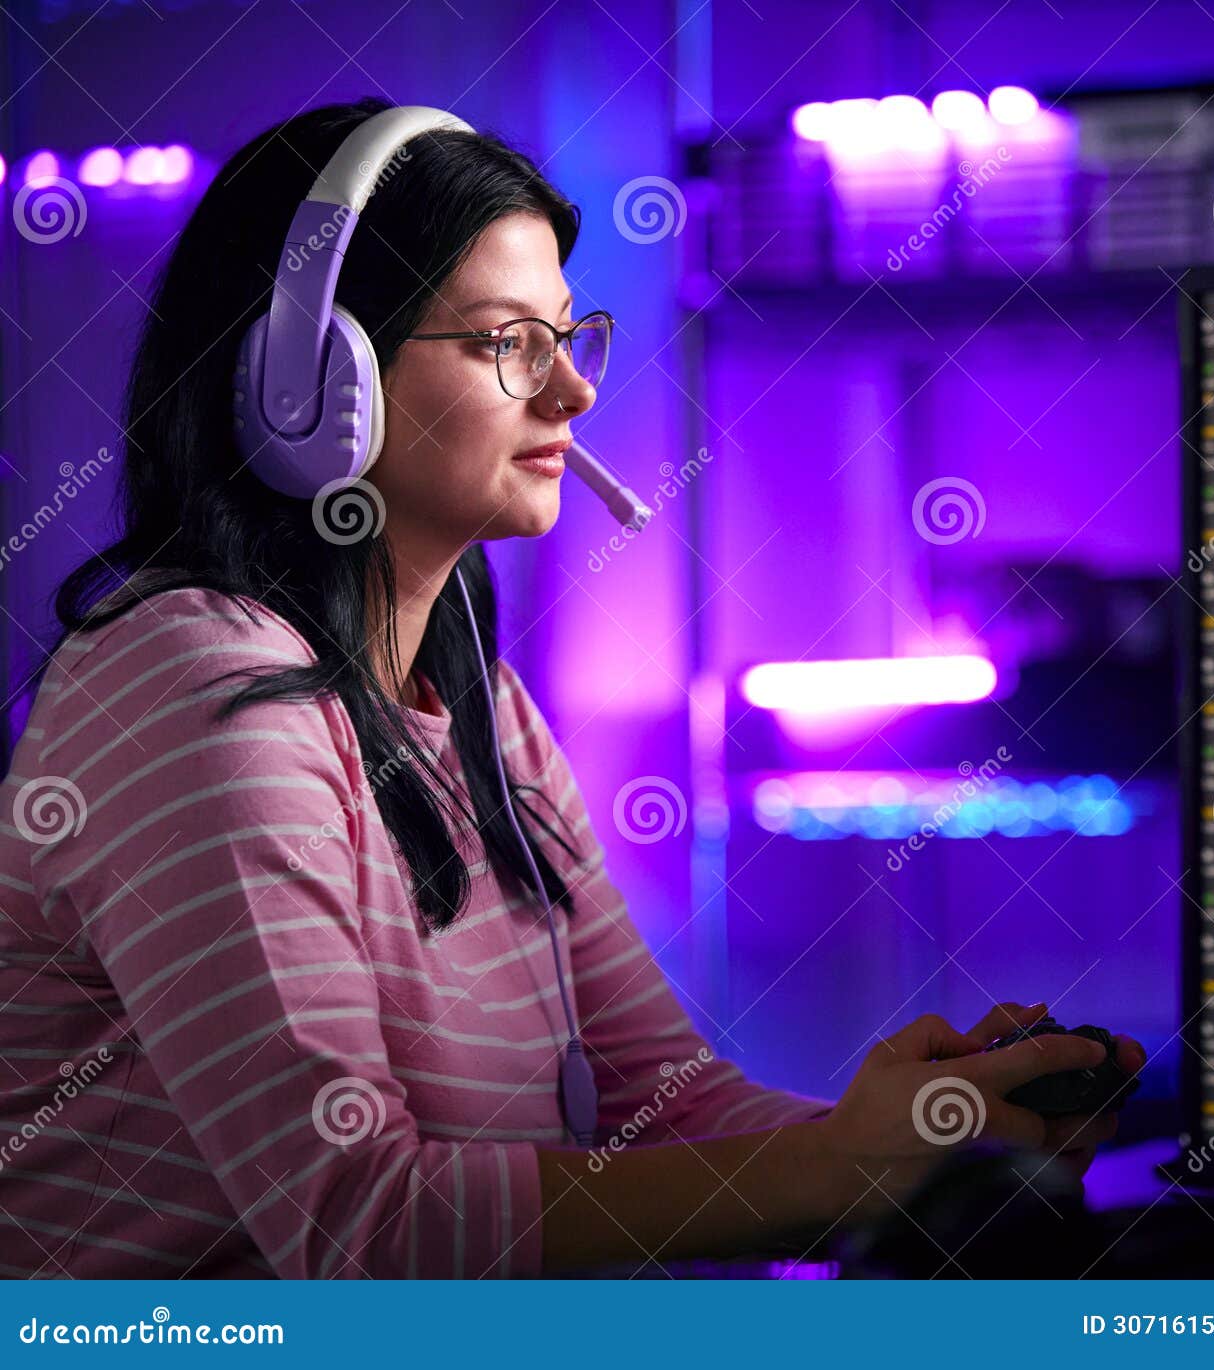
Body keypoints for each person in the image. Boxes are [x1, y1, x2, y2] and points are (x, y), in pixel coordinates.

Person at [0, 97, 1144, 1278]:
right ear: (311, 381)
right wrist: (844, 1165)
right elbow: (363, 1227)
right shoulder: (194, 686)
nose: (573, 393)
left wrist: (928, 1136)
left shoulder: (477, 703)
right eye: (508, 344)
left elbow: (664, 1106)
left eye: (566, 336)